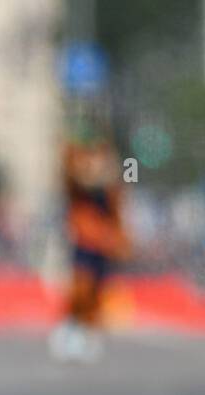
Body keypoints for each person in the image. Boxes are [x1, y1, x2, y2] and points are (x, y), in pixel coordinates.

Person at [52, 133, 128, 362]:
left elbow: (117, 216)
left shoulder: (110, 190)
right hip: (83, 243)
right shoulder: (78, 183)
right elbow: (71, 173)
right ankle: (72, 330)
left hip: (102, 246)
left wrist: (119, 240)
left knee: (97, 291)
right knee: (81, 289)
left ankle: (87, 333)